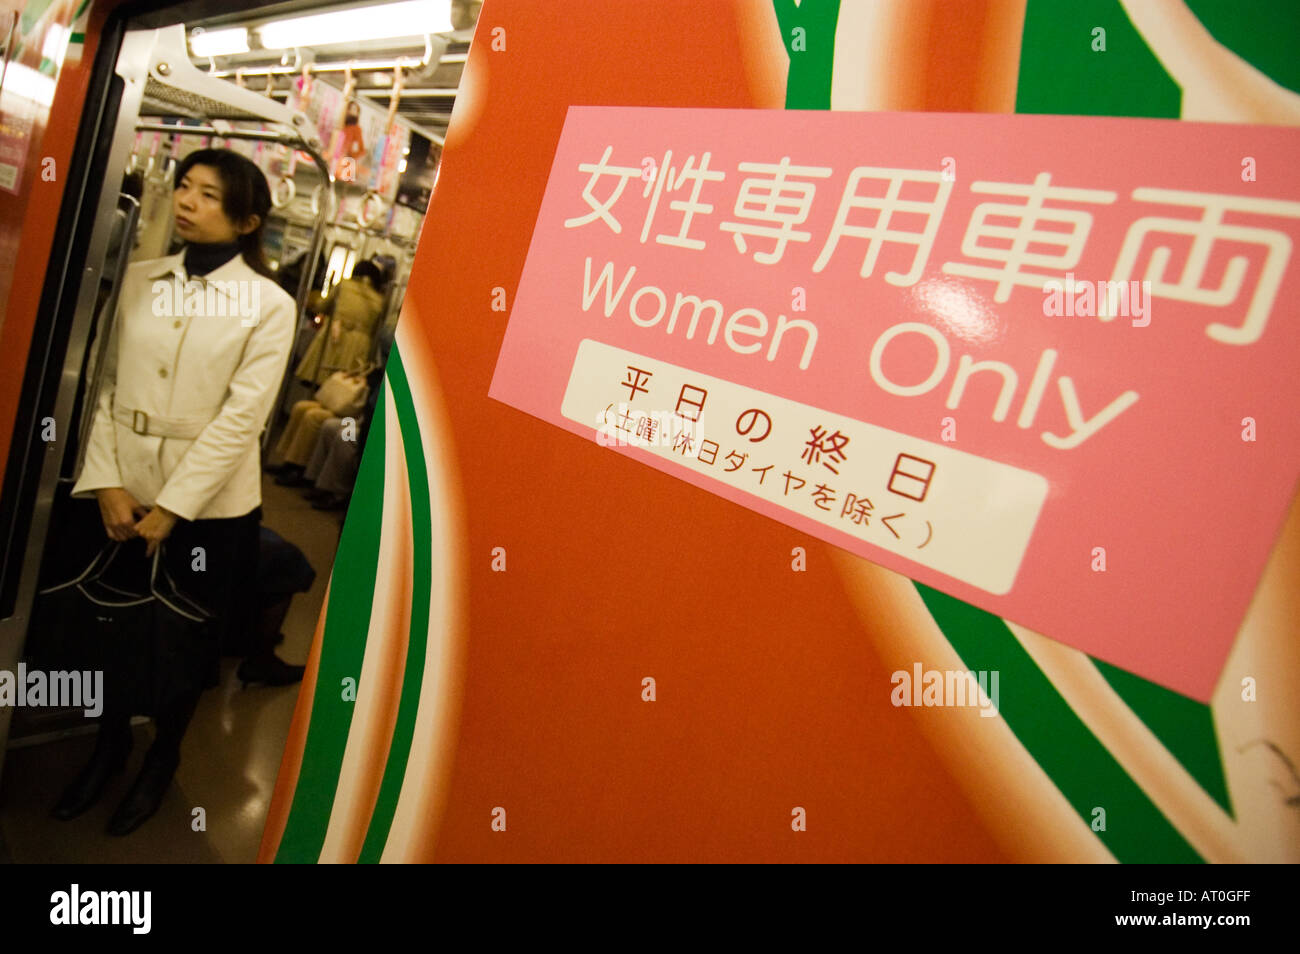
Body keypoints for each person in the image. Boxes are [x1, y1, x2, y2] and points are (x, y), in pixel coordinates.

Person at [55, 148, 297, 836]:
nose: (186, 202)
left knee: (183, 638)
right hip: (120, 488)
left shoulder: (269, 306)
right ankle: (109, 744)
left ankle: (163, 756)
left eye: (208, 196)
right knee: (110, 623)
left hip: (211, 509)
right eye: (183, 187)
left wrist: (173, 507)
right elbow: (103, 385)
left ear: (247, 219)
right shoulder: (136, 281)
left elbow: (242, 419)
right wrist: (104, 481)